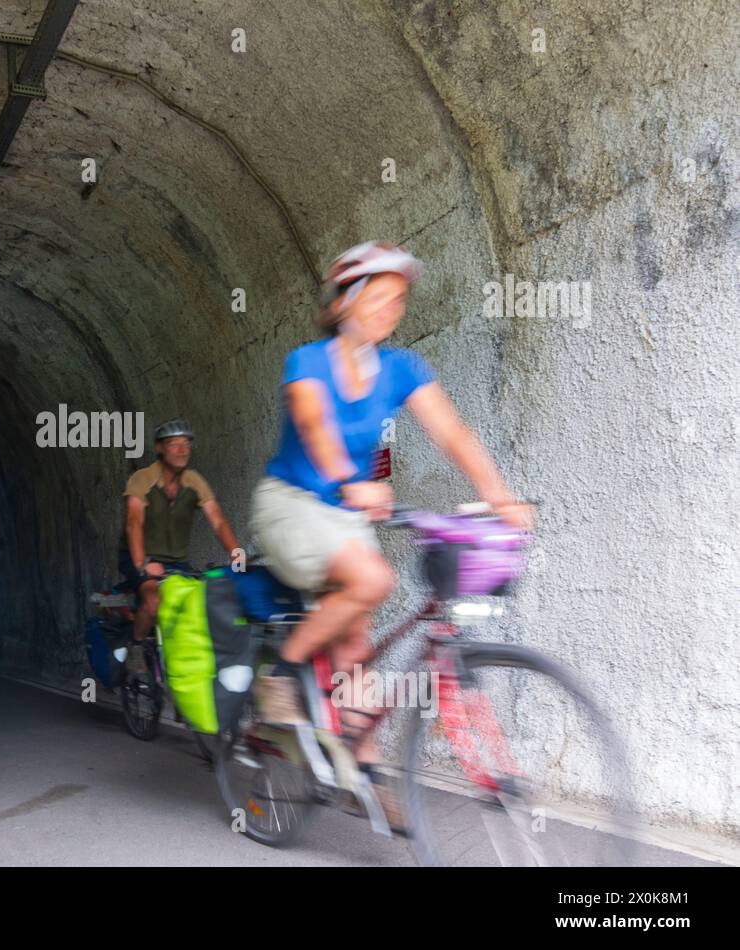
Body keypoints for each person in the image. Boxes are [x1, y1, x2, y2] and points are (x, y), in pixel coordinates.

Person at [250, 241, 533, 819]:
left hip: (348, 516)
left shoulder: (402, 369)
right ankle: (280, 676)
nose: (390, 308)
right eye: (378, 295)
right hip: (292, 505)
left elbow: (452, 433)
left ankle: (364, 770)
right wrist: (345, 479)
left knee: (356, 638)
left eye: (398, 299)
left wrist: (499, 497)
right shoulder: (306, 361)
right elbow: (313, 422)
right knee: (373, 580)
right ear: (346, 300)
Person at [120, 419, 241, 672]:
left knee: (198, 604)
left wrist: (237, 554)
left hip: (176, 561)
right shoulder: (142, 479)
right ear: (160, 449)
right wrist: (142, 563)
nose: (182, 449)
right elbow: (133, 522)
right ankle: (136, 646)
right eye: (174, 444)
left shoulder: (194, 480)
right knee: (153, 600)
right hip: (140, 555)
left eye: (186, 444)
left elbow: (217, 521)